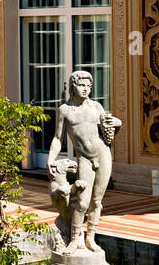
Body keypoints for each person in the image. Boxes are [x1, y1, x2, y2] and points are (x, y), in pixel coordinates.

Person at [47, 70, 121, 253]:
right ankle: (74, 240)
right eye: (81, 85)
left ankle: (90, 239)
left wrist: (117, 124)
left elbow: (108, 133)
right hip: (85, 159)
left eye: (89, 86)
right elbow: (58, 138)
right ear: (73, 86)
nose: (86, 89)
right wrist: (50, 160)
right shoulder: (65, 110)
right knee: (82, 202)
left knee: (97, 202)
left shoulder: (97, 107)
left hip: (103, 155)